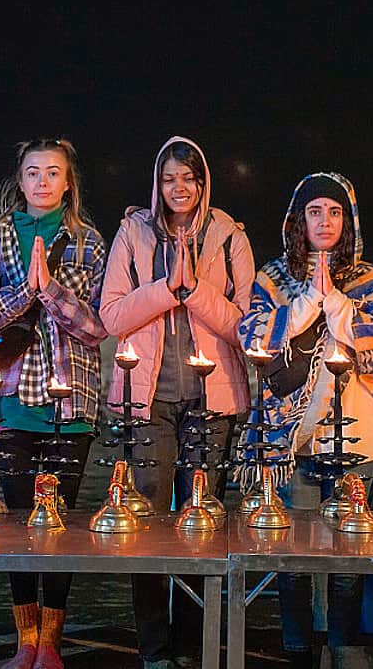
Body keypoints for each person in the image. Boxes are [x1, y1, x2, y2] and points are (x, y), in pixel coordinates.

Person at [98, 136, 255, 669]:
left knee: (201, 521)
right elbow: (112, 316)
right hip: (146, 398)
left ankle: (193, 642)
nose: (179, 188)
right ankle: (154, 647)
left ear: (203, 182)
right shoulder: (132, 233)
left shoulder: (230, 236)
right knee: (142, 522)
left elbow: (247, 327)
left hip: (212, 400)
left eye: (189, 178)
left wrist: (196, 293)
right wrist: (168, 288)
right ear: (157, 184)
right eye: (170, 179)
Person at [237, 172, 373, 668]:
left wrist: (339, 305)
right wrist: (308, 302)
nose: (324, 221)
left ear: (347, 221)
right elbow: (255, 338)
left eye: (334, 212)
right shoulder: (273, 275)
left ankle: (342, 644)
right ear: (298, 220)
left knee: (348, 545)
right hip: (294, 435)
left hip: (357, 429)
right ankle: (297, 646)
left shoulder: (368, 276)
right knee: (293, 548)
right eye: (314, 212)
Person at [0, 138, 107, 669]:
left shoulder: (89, 242)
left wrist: (51, 291)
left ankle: (51, 643)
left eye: (54, 173)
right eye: (33, 172)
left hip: (72, 398)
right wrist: (26, 292)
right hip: (10, 397)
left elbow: (96, 328)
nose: (43, 181)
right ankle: (24, 640)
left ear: (68, 182)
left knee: (63, 524)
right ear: (20, 180)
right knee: (19, 522)